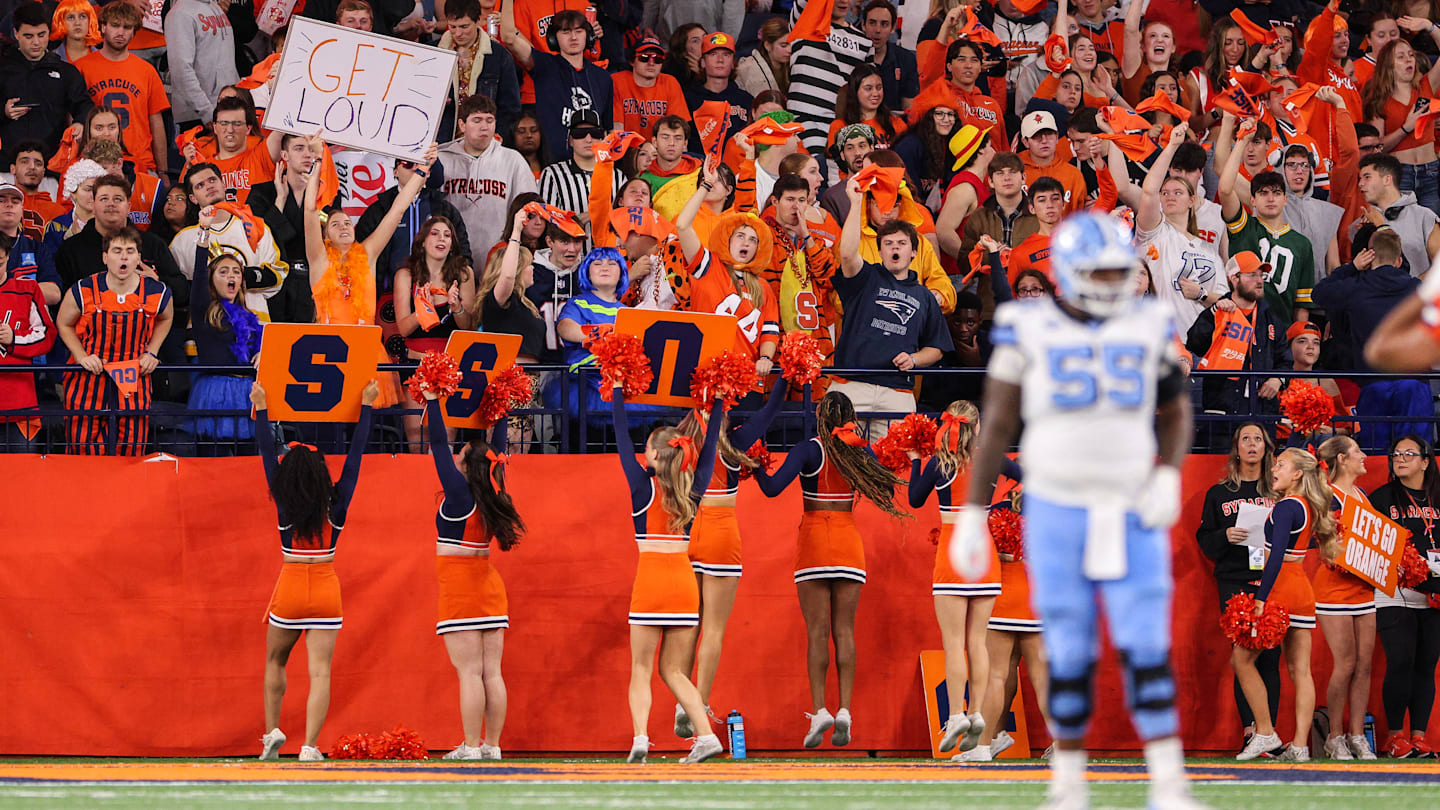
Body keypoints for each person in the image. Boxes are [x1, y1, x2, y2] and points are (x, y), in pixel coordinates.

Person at [958, 212, 1199, 808]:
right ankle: (1067, 780)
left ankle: (1168, 779)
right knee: (1066, 644)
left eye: (1118, 270)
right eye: (1098, 269)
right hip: (1058, 499)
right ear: (1068, 271)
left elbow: (1175, 407)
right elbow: (996, 425)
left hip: (1127, 497)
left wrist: (1168, 473)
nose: (1110, 280)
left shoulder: (1146, 321)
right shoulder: (1026, 323)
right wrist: (972, 510)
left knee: (1145, 639)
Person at [752, 389, 908, 748]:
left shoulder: (810, 448)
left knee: (817, 632)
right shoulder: (859, 449)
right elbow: (887, 488)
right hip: (849, 541)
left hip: (814, 542)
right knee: (845, 631)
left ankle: (820, 708)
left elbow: (773, 488)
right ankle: (845, 711)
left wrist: (756, 463)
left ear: (821, 416)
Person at [251, 378, 379, 763]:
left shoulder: (284, 501)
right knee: (320, 672)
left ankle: (272, 734)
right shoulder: (336, 504)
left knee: (275, 661)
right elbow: (355, 458)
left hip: (291, 584)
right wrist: (367, 406)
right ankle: (310, 746)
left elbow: (264, 451)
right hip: (326, 585)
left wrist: (261, 407)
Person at [612, 384, 727, 764]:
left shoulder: (639, 486)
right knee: (675, 670)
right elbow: (709, 451)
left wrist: (616, 391)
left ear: (654, 453)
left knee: (642, 669)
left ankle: (642, 737)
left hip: (650, 581)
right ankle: (707, 735)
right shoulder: (693, 487)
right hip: (682, 583)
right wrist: (718, 404)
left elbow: (619, 433)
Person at [669, 376, 787, 738]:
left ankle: (682, 701)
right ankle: (698, 704)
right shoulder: (733, 440)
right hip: (721, 531)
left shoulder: (681, 441)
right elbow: (770, 411)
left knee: (692, 624)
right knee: (715, 628)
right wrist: (786, 374)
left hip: (690, 531)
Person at [906, 400, 1020, 756]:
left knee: (954, 642)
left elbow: (914, 498)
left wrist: (914, 460)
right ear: (978, 427)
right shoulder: (993, 459)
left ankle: (957, 714)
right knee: (978, 642)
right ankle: (976, 713)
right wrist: (1011, 503)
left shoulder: (941, 463)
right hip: (984, 552)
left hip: (954, 552)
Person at [418, 389, 520, 761]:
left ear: (463, 466)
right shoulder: (495, 488)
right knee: (491, 672)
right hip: (489, 585)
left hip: (460, 587)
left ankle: (472, 747)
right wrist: (501, 410)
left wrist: (431, 399)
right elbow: (498, 453)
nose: (454, 457)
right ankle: (492, 746)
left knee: (469, 673)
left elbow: (439, 445)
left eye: (460, 457)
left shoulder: (459, 494)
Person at [832, 175, 953, 438]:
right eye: (888, 244)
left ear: (914, 252)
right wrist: (855, 203)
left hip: (897, 392)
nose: (894, 248)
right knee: (838, 463)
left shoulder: (924, 296)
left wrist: (914, 359)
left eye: (901, 243)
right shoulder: (866, 278)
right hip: (852, 385)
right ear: (880, 250)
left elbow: (937, 348)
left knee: (894, 470)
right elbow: (847, 254)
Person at [1234, 448, 1332, 762]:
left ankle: (1264, 732)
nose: (1274, 468)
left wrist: (1261, 598)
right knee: (1300, 671)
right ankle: (1300, 747)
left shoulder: (1289, 505)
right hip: (1302, 589)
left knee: (1242, 660)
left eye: (1281, 464)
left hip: (1280, 590)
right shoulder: (1306, 505)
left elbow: (1275, 557)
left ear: (1298, 474)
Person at [1194, 423, 1281, 755]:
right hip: (1234, 581)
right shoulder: (1219, 494)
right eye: (1245, 438)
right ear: (1236, 448)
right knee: (1243, 657)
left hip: (1271, 581)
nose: (1252, 444)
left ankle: (1268, 732)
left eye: (1258, 439)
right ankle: (1251, 731)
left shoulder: (1277, 489)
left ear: (1266, 448)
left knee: (1270, 658)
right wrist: (1224, 536)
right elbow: (1204, 540)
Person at [54, 226, 175, 455]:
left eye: (130, 251)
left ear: (139, 257)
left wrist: (152, 352)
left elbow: (166, 318)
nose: (124, 256)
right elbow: (63, 323)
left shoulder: (157, 292)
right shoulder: (83, 289)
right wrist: (81, 357)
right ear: (105, 257)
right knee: (83, 448)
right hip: (88, 379)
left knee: (132, 445)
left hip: (134, 378)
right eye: (117, 250)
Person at [304, 135, 437, 332]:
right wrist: (317, 158)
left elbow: (397, 210)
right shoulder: (319, 260)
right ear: (325, 236)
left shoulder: (367, 255)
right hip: (329, 348)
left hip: (366, 349)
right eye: (335, 224)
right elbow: (310, 210)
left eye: (347, 223)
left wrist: (423, 168)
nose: (343, 226)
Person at [1312, 228, 1430, 449]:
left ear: (1370, 257)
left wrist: (1352, 267)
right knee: (1416, 455)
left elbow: (1319, 293)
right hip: (1414, 385)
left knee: (1376, 458)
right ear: (1398, 260)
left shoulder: (1357, 287)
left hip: (1373, 384)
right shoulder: (1417, 289)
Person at [1368, 435, 1440, 758]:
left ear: (1426, 461)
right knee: (1401, 660)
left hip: (1436, 594)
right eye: (1396, 453)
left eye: (1409, 454)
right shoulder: (1381, 498)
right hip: (1395, 593)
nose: (1401, 458)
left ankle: (1419, 736)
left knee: (1427, 664)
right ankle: (1395, 737)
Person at [1312, 436, 1380, 760]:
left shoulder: (1363, 496)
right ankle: (1334, 736)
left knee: (1364, 665)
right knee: (1346, 664)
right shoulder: (1327, 496)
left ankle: (1357, 735)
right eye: (1358, 451)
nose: (1364, 456)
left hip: (1364, 588)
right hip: (1334, 588)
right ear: (1341, 459)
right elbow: (1324, 544)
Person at [1185, 252, 1288, 449]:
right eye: (1252, 275)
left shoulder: (1271, 318)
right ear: (1234, 279)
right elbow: (1194, 344)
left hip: (1262, 413)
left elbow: (1285, 359)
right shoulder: (1216, 313)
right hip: (1223, 411)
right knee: (1220, 472)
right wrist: (1214, 313)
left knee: (1263, 476)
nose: (1259, 281)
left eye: (1261, 275)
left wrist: (1278, 379)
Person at [1129, 124, 1225, 334]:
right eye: (1165, 192)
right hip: (1159, 339)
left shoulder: (1208, 251)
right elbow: (1149, 191)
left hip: (1200, 344)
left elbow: (1224, 301)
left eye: (1178, 192)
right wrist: (1172, 146)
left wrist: (1201, 293)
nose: (1170, 195)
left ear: (1192, 200)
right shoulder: (1154, 231)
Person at [1219, 120, 1314, 325]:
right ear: (1252, 200)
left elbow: (1302, 304)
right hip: (1241, 326)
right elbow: (1225, 189)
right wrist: (1242, 142)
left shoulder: (1302, 244)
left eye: (1276, 193)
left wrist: (1296, 339)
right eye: (1263, 193)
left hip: (1282, 335)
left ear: (1285, 199)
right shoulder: (1244, 228)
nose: (1271, 199)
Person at [394, 216, 476, 448]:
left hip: (450, 366)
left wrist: (456, 307)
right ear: (422, 242)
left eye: (447, 235)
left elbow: (467, 325)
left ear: (452, 244)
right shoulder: (406, 275)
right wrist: (423, 309)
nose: (442, 238)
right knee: (416, 436)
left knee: (446, 437)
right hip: (415, 364)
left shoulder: (464, 274)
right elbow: (403, 328)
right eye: (435, 233)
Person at [167, 163, 283, 321]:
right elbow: (177, 290)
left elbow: (278, 275)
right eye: (200, 185)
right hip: (204, 329)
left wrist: (240, 276)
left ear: (223, 184)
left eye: (212, 180)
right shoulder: (182, 240)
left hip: (252, 326)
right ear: (193, 198)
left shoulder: (256, 226)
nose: (208, 186)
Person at [186, 211, 262, 449]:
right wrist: (204, 231)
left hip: (247, 391)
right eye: (224, 271)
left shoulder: (250, 318)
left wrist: (264, 354)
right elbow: (199, 273)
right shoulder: (203, 309)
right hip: (215, 392)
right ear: (212, 281)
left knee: (249, 463)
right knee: (212, 461)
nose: (232, 275)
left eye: (236, 272)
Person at [500, 7, 614, 160]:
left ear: (588, 36)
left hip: (591, 165)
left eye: (579, 31)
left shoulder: (603, 77)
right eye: (565, 32)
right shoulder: (544, 65)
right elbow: (509, 37)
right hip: (552, 163)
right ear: (553, 39)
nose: (573, 37)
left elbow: (608, 130)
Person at [439, 95, 537, 265]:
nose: (484, 126)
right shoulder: (442, 158)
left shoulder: (513, 160)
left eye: (489, 120)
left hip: (498, 259)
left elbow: (529, 210)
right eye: (476, 120)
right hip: (449, 259)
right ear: (462, 125)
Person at [74, 2, 168, 177]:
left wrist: (162, 170)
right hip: (94, 162)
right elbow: (72, 121)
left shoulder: (147, 71)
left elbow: (156, 122)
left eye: (127, 27)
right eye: (115, 25)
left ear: (134, 31)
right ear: (102, 27)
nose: (121, 33)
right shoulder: (81, 68)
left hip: (141, 164)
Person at [356, 156, 471, 294]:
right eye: (408, 164)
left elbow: (462, 253)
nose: (416, 169)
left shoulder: (445, 209)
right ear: (395, 171)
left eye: (421, 165)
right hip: (388, 297)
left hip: (437, 296)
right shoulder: (378, 210)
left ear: (428, 173)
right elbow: (361, 256)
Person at [1362, 29, 1440, 217]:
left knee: (1432, 235)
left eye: (1411, 55)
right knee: (1402, 236)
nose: (1409, 60)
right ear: (1388, 65)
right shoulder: (1379, 98)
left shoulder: (1426, 86)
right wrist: (1406, 127)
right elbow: (1378, 146)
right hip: (1400, 175)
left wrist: (1429, 26)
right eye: (1401, 57)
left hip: (1431, 171)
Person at [788, 0, 874, 166]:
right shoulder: (805, 21)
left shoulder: (864, 42)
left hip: (841, 124)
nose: (843, 1)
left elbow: (867, 87)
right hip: (803, 119)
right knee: (814, 170)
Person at [0, 233, 57, 451]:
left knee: (21, 474)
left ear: (8, 259)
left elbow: (47, 335)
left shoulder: (27, 289)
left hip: (19, 402)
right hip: (19, 401)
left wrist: (14, 338)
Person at [440, 0, 521, 140]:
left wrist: (497, 138)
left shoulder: (499, 56)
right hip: (442, 142)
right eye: (452, 27)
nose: (458, 33)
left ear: (478, 21)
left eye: (464, 26)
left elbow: (510, 107)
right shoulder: (433, 53)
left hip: (485, 143)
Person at [182, 97, 282, 205]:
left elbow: (284, 126)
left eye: (237, 124)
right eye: (224, 123)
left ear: (248, 128)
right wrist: (189, 164)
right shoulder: (204, 170)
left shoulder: (261, 157)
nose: (230, 130)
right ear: (215, 128)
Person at [1353, 154, 1440, 276]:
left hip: (1415, 292)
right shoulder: (1362, 223)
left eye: (1367, 177)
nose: (1360, 184)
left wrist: (1412, 289)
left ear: (1387, 179)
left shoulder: (1424, 217)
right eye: (1360, 179)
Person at [540, 110, 622, 233]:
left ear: (603, 138)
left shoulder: (618, 177)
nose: (588, 139)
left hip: (611, 250)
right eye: (580, 134)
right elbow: (547, 222)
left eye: (595, 133)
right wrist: (588, 216)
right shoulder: (552, 175)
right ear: (570, 140)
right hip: (569, 251)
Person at [165, 0, 239, 132]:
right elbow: (181, 69)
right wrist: (206, 112)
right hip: (201, 116)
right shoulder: (179, 14)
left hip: (227, 107)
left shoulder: (214, 6)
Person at [612, 35, 691, 136]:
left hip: (661, 149)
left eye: (657, 59)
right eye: (644, 58)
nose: (651, 63)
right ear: (632, 61)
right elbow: (616, 129)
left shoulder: (670, 82)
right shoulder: (617, 81)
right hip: (627, 148)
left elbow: (676, 129)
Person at [736, 17, 791, 98]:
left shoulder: (793, 67)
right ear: (767, 45)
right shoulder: (748, 69)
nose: (789, 50)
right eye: (783, 45)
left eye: (791, 44)